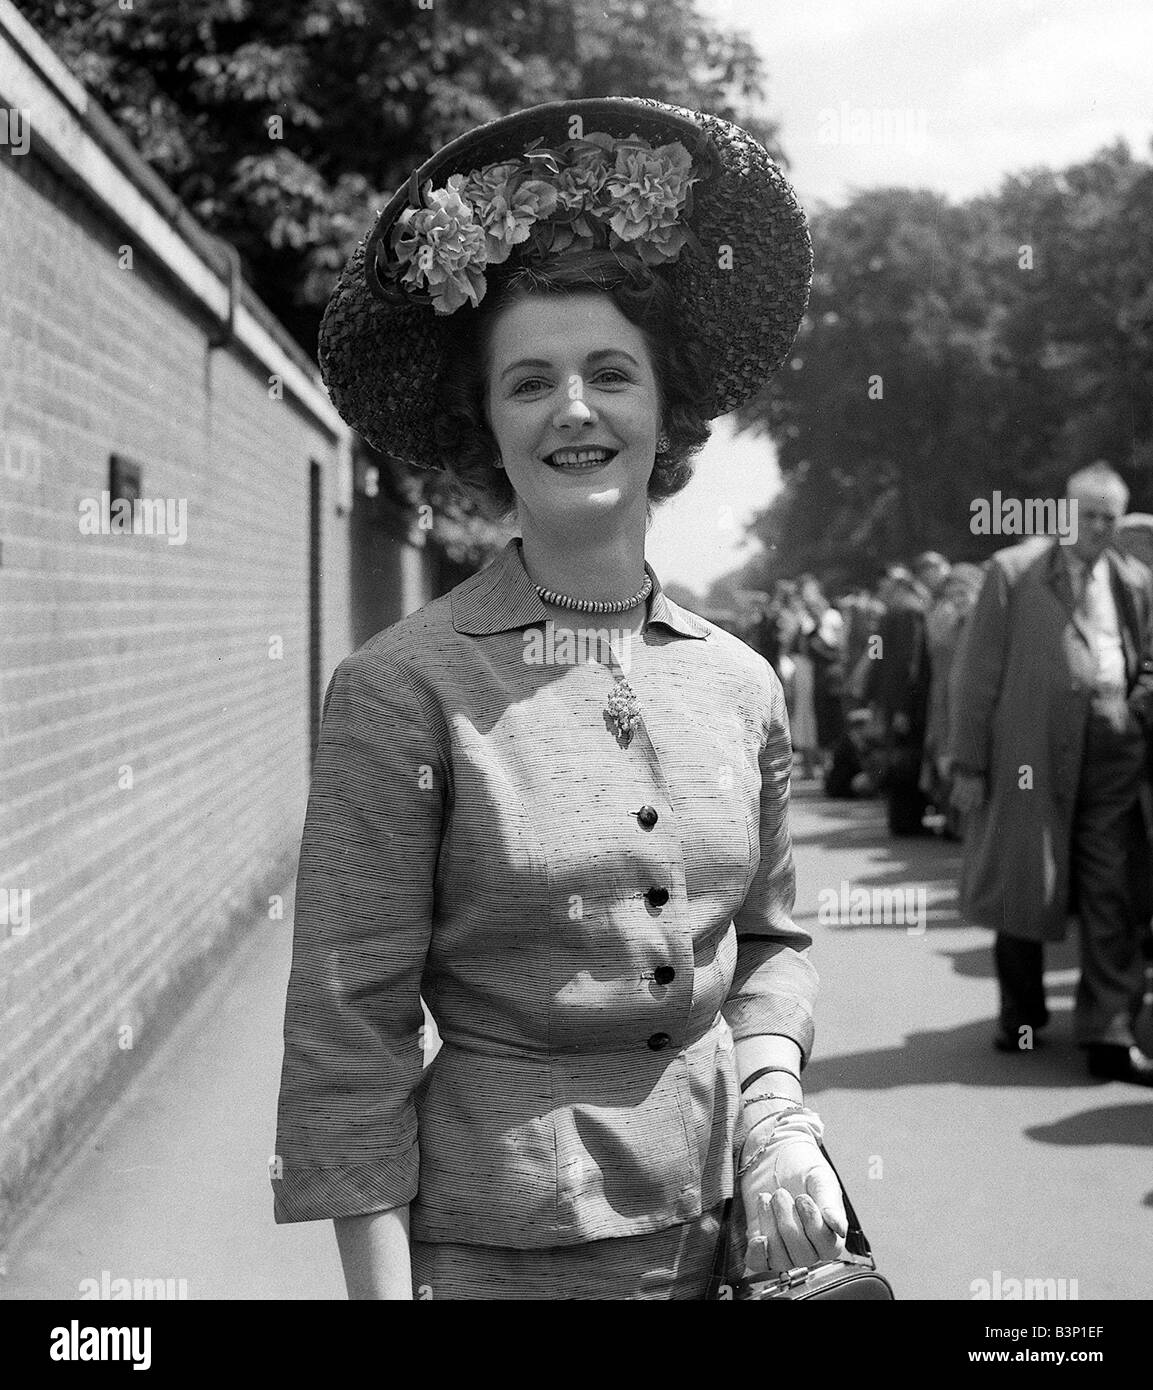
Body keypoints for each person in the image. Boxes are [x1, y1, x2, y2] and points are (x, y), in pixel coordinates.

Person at [271, 98, 849, 1299]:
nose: (574, 409)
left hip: (731, 1241)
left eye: (609, 374)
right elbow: (348, 1035)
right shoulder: (398, 690)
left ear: (663, 412)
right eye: (529, 381)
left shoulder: (743, 684)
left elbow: (771, 945)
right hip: (497, 1257)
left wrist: (776, 1110)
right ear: (488, 421)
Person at [949, 462, 1153, 1081]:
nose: (1097, 527)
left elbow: (1149, 659)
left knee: (1112, 885)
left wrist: (1138, 704)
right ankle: (1022, 1015)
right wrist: (968, 763)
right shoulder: (1013, 573)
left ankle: (1110, 1035)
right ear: (1066, 515)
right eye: (1087, 515)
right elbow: (975, 674)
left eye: (1108, 518)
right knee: (1025, 878)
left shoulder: (1135, 581)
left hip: (1115, 750)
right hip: (1029, 752)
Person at [864, 566, 933, 835]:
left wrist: (877, 695)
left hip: (896, 697)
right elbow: (905, 661)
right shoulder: (906, 610)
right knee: (906, 758)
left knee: (900, 758)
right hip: (904, 699)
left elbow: (885, 656)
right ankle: (908, 820)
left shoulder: (897, 611)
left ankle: (903, 819)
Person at [921, 562, 984, 838]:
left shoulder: (989, 632)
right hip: (951, 714)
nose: (958, 600)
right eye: (952, 595)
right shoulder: (950, 629)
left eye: (964, 592)